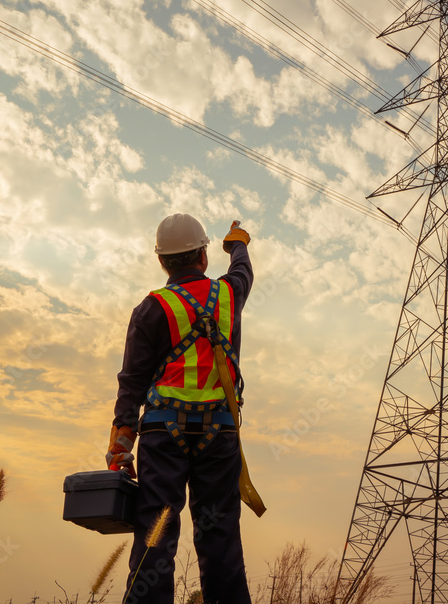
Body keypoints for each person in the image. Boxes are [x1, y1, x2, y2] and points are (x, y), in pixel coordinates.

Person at [107, 213, 253, 604]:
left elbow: (132, 380)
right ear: (203, 256)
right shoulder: (228, 295)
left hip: (161, 434)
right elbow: (242, 271)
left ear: (161, 261)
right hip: (218, 436)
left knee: (156, 535)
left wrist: (122, 440)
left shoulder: (151, 308)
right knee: (220, 537)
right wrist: (237, 240)